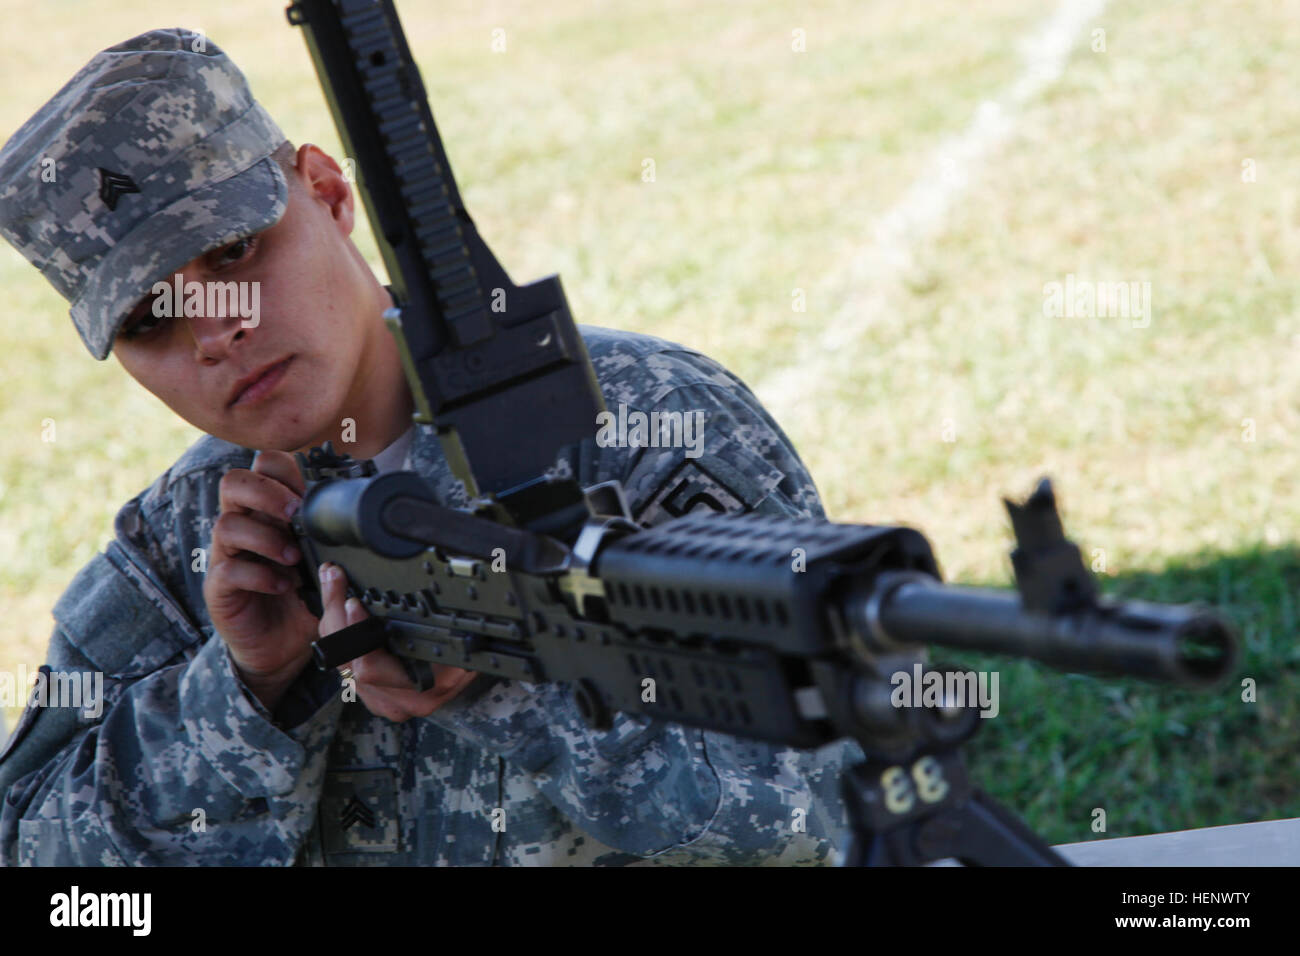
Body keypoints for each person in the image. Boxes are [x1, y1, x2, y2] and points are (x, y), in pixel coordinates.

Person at [0, 28, 860, 865]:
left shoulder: (637, 426)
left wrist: (509, 680)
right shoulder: (181, 539)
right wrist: (245, 690)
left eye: (232, 251)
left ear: (330, 194)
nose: (216, 331)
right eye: (149, 320)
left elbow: (827, 806)